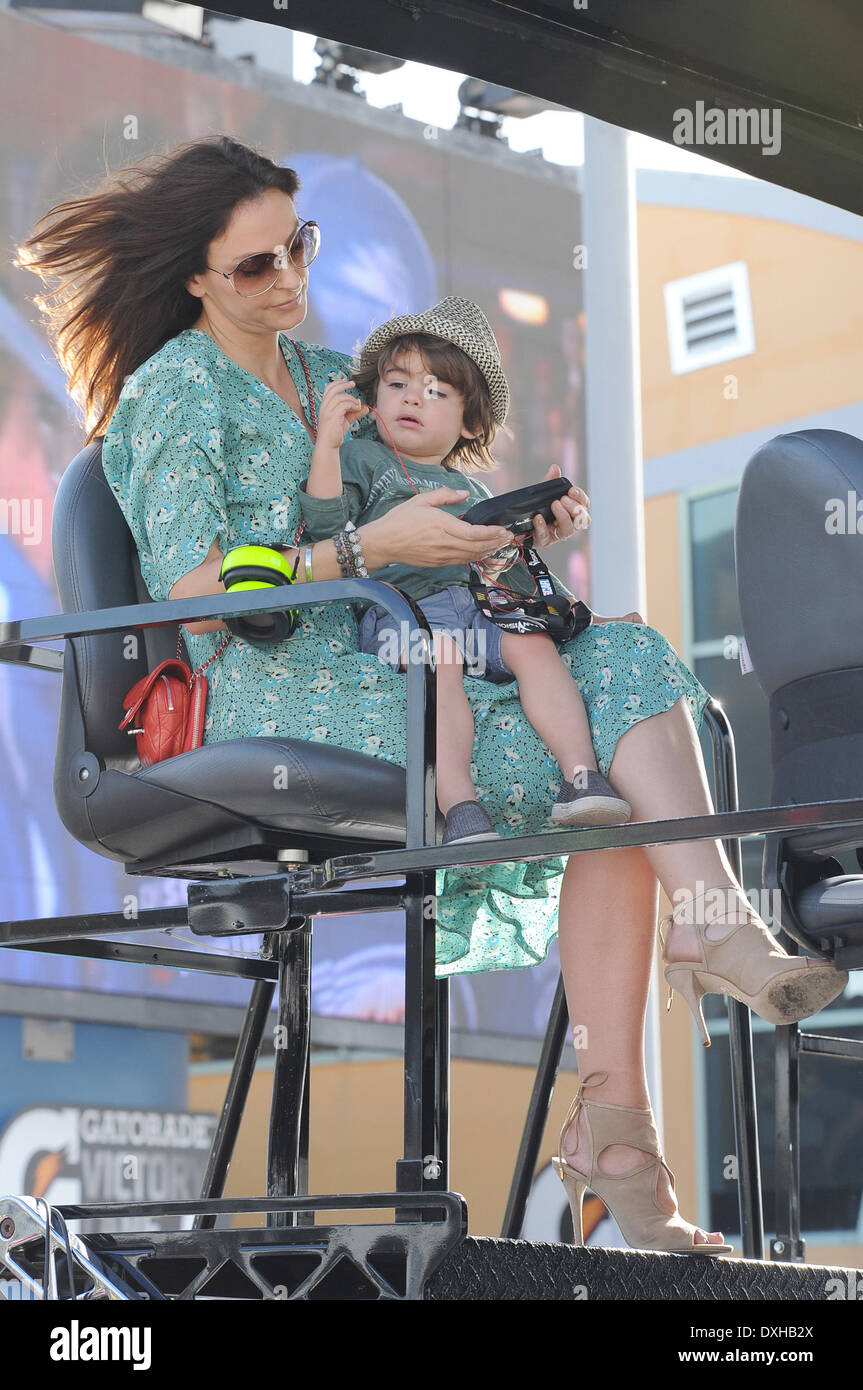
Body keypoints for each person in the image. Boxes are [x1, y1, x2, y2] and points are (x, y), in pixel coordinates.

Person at [17, 134, 848, 1255]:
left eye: (297, 246)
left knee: (619, 677)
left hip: (391, 654)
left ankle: (699, 953)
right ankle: (641, 1087)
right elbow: (200, 600)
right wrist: (360, 547)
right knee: (604, 764)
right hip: (264, 692)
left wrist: (501, 522)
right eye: (259, 266)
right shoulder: (173, 396)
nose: (291, 279)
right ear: (198, 278)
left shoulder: (323, 376)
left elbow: (422, 498)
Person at [300, 295, 632, 844]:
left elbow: (511, 578)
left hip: (477, 611)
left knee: (532, 643)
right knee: (443, 659)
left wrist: (548, 544)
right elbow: (327, 529)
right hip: (400, 618)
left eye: (435, 390)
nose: (412, 397)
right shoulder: (362, 460)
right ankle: (461, 808)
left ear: (471, 421)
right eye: (397, 383)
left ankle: (583, 778)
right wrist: (328, 447)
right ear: (373, 397)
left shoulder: (475, 492)